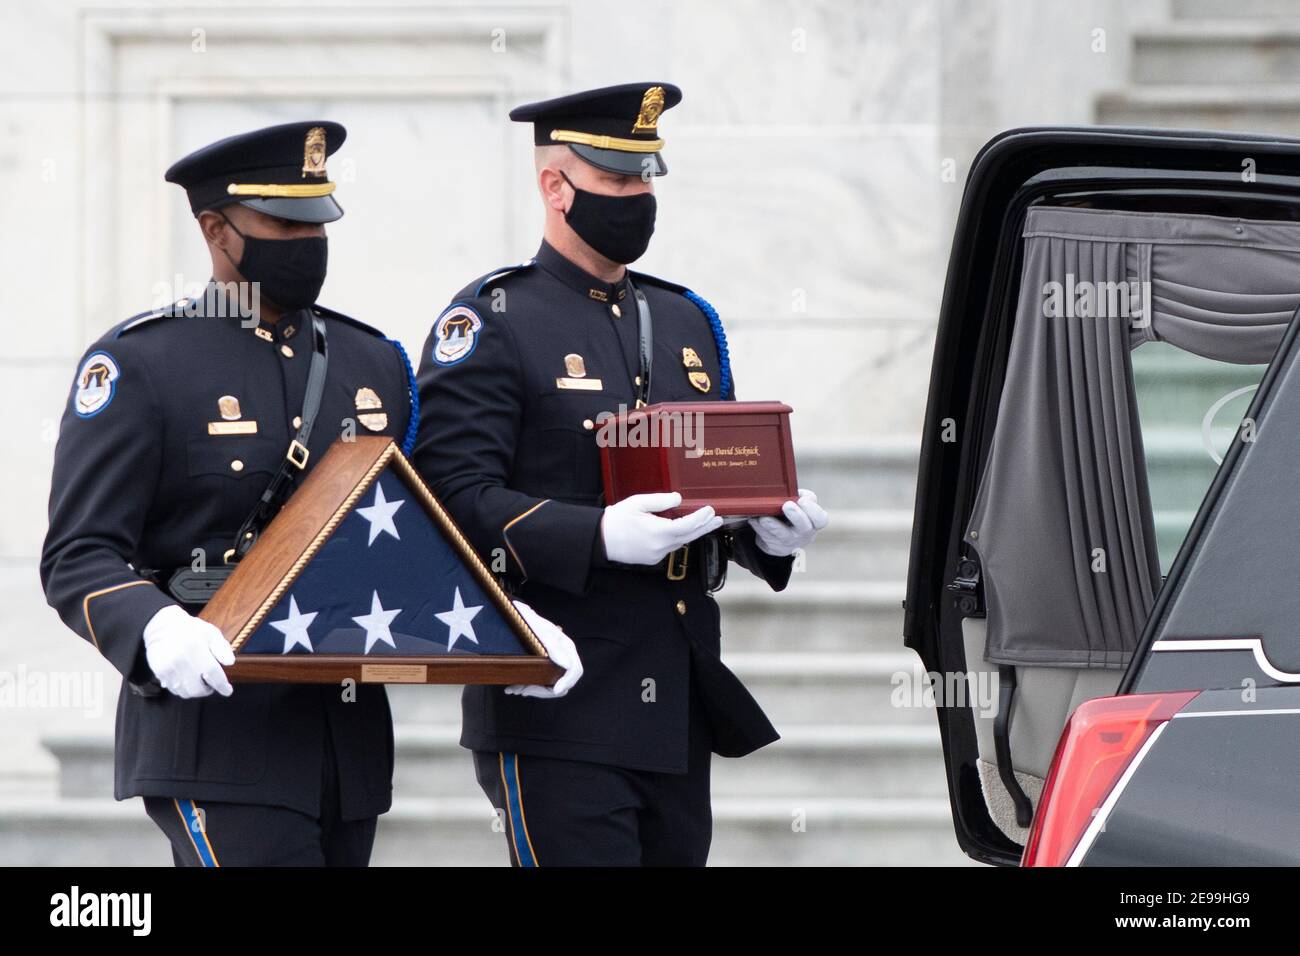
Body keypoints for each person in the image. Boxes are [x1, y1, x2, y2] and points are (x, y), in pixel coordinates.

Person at [39, 121, 580, 866]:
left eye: (315, 222)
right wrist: (157, 629)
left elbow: (412, 533)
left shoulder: (371, 362)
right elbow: (79, 555)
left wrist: (504, 620)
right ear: (215, 230)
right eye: (281, 225)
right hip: (217, 729)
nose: (305, 242)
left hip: (344, 741)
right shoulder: (144, 365)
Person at [414, 84, 829, 866]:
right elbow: (448, 501)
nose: (637, 197)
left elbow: (709, 480)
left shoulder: (683, 321)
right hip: (558, 697)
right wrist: (595, 534)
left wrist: (763, 529)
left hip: (674, 699)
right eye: (616, 180)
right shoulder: (493, 321)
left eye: (645, 179)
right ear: (554, 185)